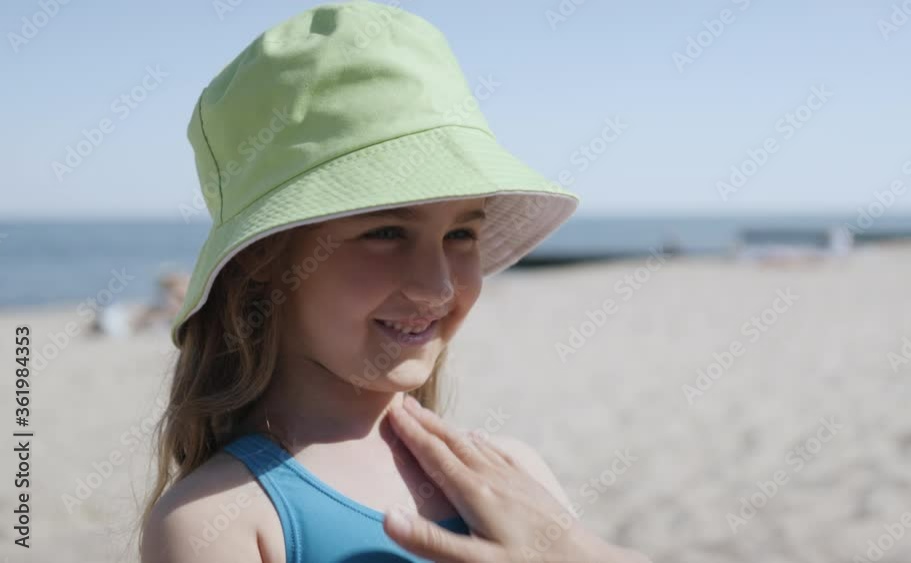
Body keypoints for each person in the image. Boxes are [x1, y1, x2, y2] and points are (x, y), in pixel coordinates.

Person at [137, 2, 649, 562]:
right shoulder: (220, 520)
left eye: (461, 235)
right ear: (263, 260)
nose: (437, 287)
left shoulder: (513, 477)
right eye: (385, 231)